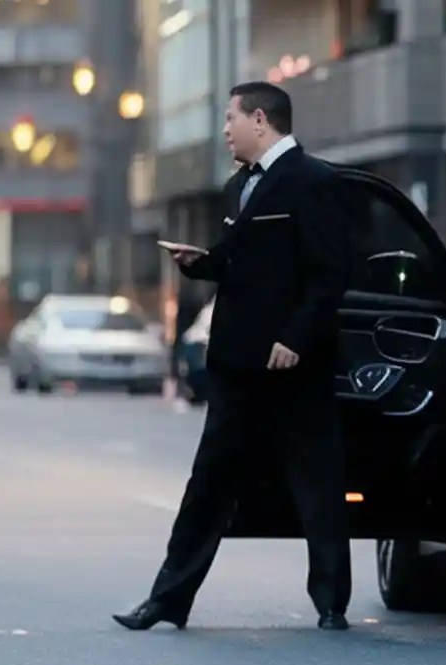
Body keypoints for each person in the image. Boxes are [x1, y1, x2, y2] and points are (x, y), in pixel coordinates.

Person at [114, 81, 353, 631]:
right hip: (238, 367)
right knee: (208, 485)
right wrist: (202, 263)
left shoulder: (315, 183)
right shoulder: (237, 186)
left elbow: (330, 273)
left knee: (317, 484)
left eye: (231, 119)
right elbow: (241, 262)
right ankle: (167, 601)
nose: (225, 131)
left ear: (261, 121)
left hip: (296, 367)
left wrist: (295, 338)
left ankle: (332, 605)